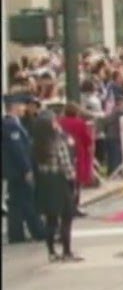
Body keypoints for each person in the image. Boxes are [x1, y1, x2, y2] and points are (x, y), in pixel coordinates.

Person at [31, 111, 81, 262]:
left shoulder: (36, 143)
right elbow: (66, 164)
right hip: (59, 180)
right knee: (67, 216)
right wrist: (73, 178)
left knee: (50, 219)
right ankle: (67, 251)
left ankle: (51, 252)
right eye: (54, 121)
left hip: (44, 181)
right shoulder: (58, 141)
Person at [3, 93, 46, 244]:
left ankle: (16, 234)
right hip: (18, 170)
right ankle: (38, 231)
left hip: (14, 171)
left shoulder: (14, 123)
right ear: (14, 107)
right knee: (28, 200)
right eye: (21, 105)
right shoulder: (10, 125)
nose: (24, 108)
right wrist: (26, 169)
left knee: (15, 203)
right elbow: (18, 150)